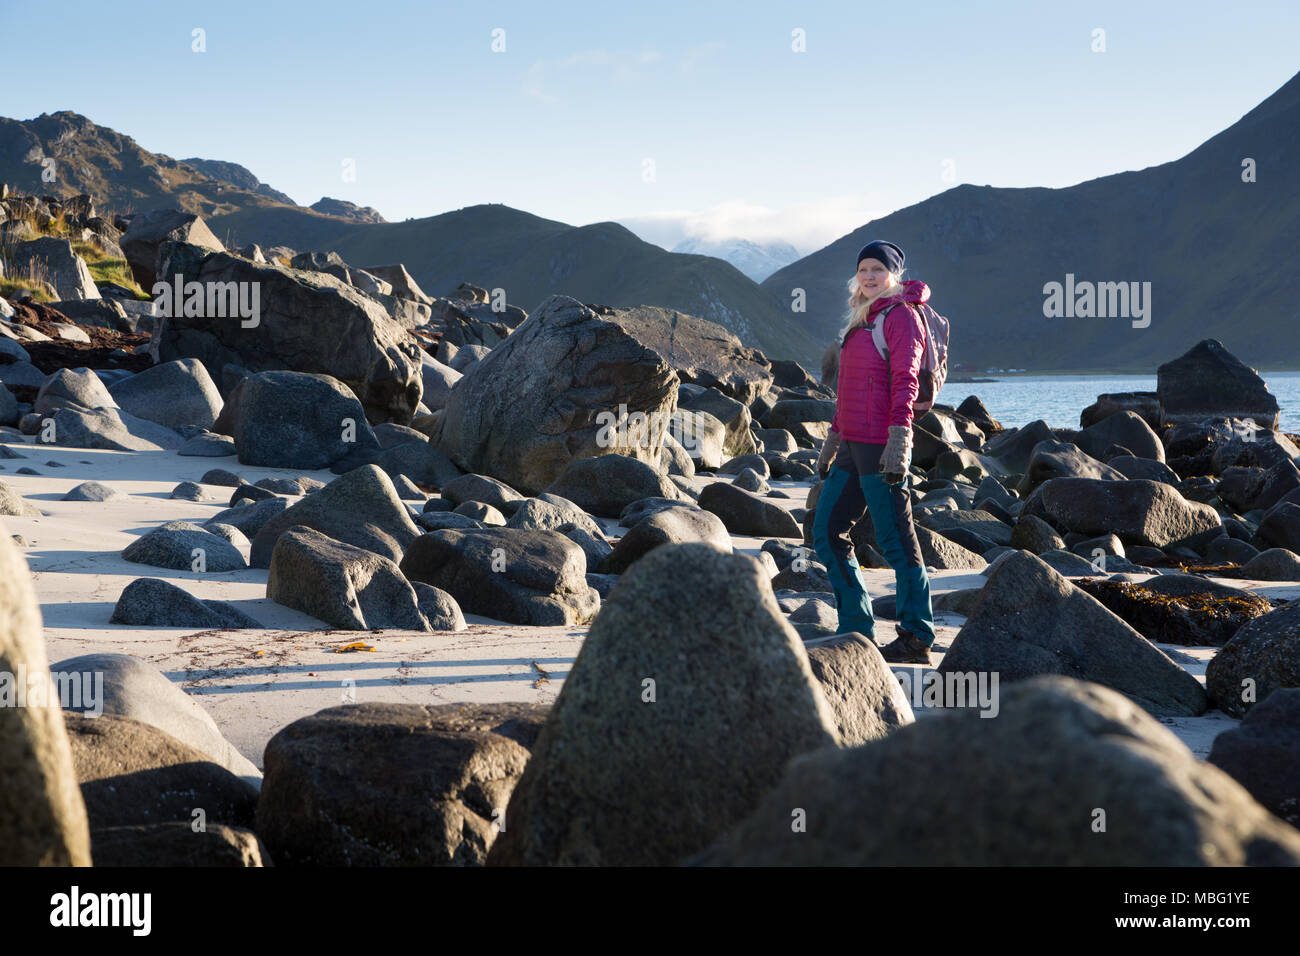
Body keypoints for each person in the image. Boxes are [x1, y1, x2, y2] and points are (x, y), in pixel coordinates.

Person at [811, 239, 937, 664]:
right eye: (864, 269)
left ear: (893, 275)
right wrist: (833, 437)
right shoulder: (861, 318)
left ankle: (916, 636)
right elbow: (848, 389)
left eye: (877, 270)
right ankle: (856, 628)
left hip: (883, 445)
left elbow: (906, 381)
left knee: (896, 540)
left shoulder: (902, 317)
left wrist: (900, 438)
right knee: (826, 533)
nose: (869, 276)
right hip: (851, 443)